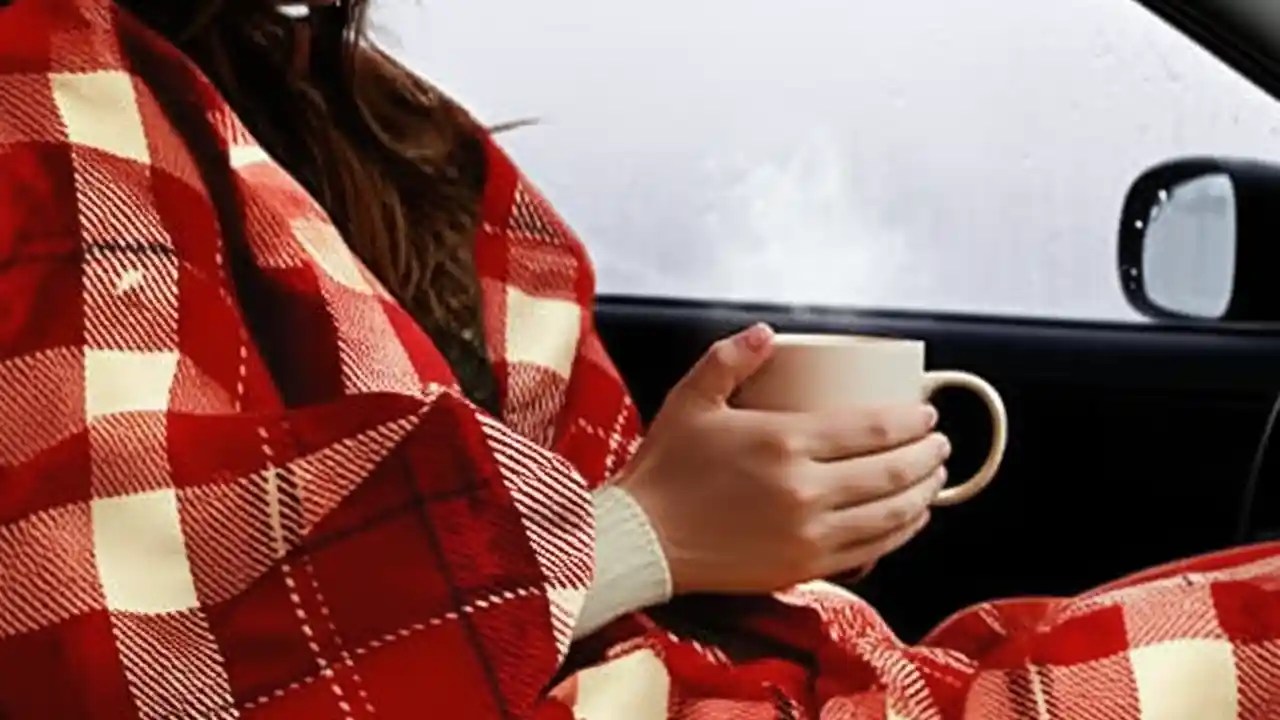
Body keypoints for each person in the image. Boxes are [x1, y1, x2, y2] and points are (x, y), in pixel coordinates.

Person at [0, 0, 1276, 717]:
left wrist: (743, 526)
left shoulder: (371, 120)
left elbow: (586, 484)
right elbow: (111, 659)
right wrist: (643, 533)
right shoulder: (40, 82)